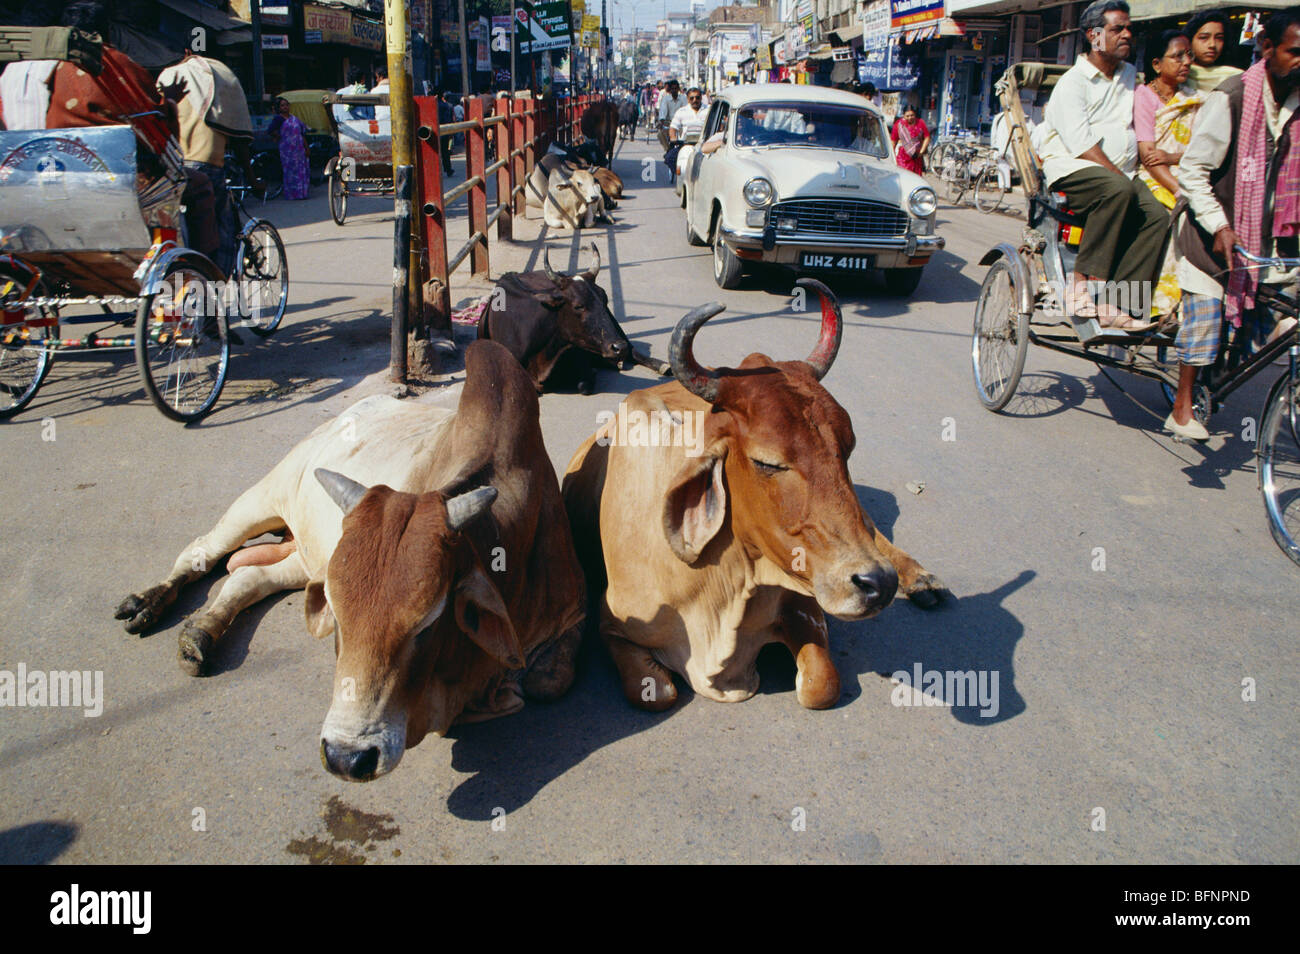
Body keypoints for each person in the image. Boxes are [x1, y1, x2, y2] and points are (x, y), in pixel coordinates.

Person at [1170, 7, 1300, 441]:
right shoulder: (1233, 97)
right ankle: (1183, 406)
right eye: (1294, 51)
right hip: (1211, 236)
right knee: (1205, 319)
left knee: (1282, 320)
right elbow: (1192, 171)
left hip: (1272, 242)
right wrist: (1219, 225)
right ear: (1266, 48)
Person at [1033, 0, 1169, 328]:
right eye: (1117, 29)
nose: (1127, 35)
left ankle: (1116, 305)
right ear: (1094, 37)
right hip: (1072, 170)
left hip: (1119, 174)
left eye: (1128, 28)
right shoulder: (1073, 83)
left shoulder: (1127, 75)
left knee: (1157, 217)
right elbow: (1081, 144)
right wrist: (1117, 175)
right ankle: (1079, 285)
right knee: (1118, 189)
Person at [157, 51, 256, 276]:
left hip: (169, 169)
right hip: (206, 166)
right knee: (221, 234)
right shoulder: (218, 76)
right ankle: (215, 285)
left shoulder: (167, 77)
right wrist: (252, 178)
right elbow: (240, 140)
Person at [1133, 29, 1205, 319]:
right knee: (1171, 217)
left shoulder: (1194, 100)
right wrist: (1180, 190)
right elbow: (1149, 157)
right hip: (1155, 177)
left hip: (1190, 174)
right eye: (1177, 56)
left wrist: (1175, 157)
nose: (1186, 62)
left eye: (1189, 55)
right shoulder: (1145, 97)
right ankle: (1159, 305)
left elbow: (1202, 151)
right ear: (1157, 64)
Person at [1186, 9, 1242, 93]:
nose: (1212, 45)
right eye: (1204, 37)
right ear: (1189, 41)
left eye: (1219, 38)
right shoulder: (1178, 76)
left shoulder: (1237, 77)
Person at [268, 97, 309, 200]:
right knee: (290, 172)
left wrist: (306, 147)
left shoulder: (294, 118)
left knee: (301, 170)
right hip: (287, 151)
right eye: (282, 105)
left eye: (287, 104)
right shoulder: (278, 119)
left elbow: (302, 133)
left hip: (299, 149)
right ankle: (292, 194)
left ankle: (302, 193)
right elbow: (270, 130)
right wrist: (279, 137)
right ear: (279, 108)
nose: (285, 107)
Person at [890, 105, 928, 174]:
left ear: (915, 114)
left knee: (916, 180)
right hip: (903, 159)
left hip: (917, 158)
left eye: (912, 115)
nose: (910, 118)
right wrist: (891, 157)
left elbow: (927, 137)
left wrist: (921, 152)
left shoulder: (920, 123)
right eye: (907, 116)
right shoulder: (899, 125)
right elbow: (893, 141)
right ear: (903, 116)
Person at [657, 79, 686, 150]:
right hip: (669, 124)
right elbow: (663, 111)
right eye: (672, 89)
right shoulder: (666, 99)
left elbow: (686, 110)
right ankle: (668, 150)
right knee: (660, 134)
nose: (674, 90)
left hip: (681, 124)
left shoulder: (683, 98)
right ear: (669, 90)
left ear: (678, 89)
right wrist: (662, 120)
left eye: (676, 88)